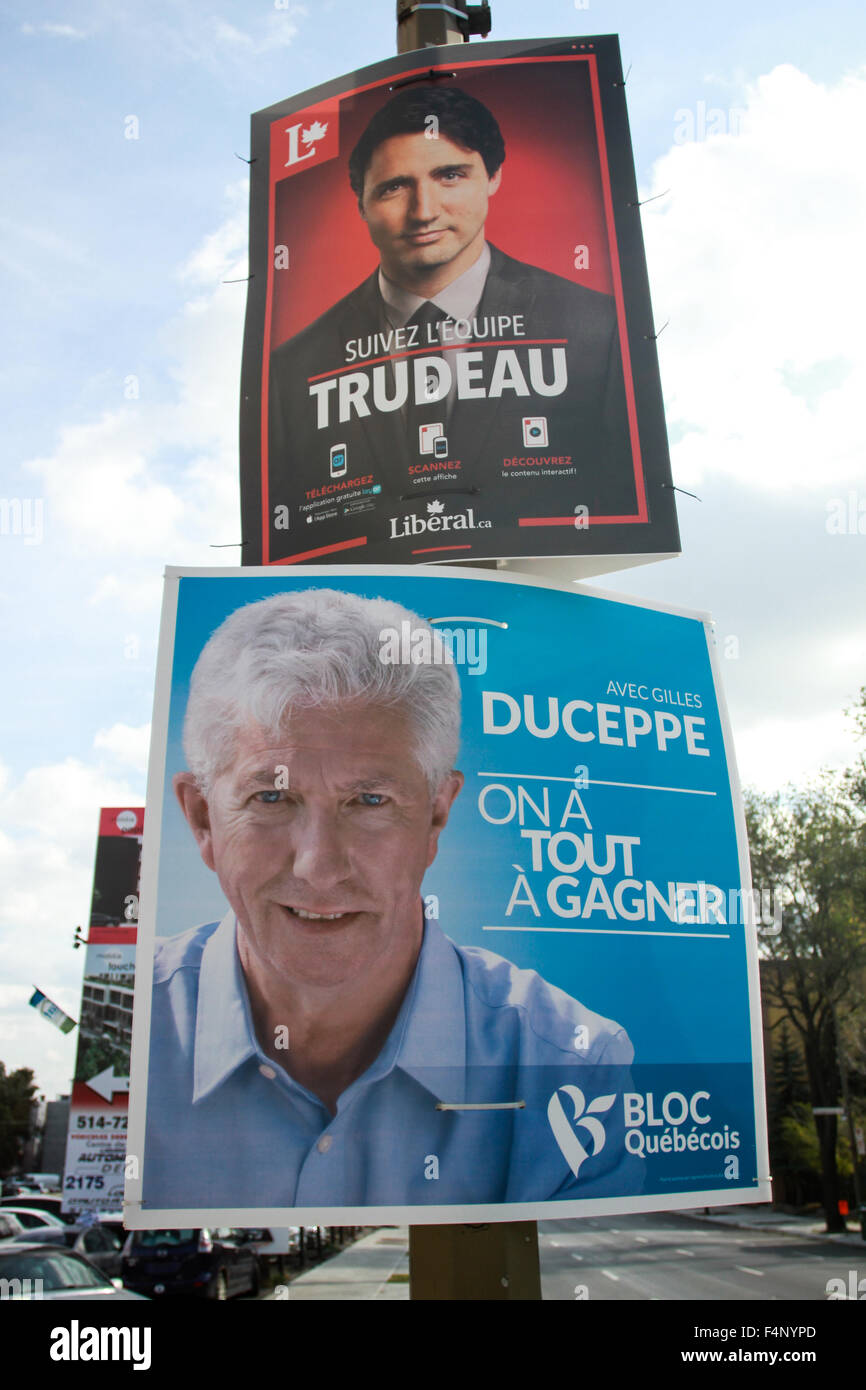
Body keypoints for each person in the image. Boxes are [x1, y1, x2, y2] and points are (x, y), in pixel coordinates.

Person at [142, 588, 639, 1210]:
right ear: (201, 820)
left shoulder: (574, 1066)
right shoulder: (125, 1029)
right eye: (271, 798)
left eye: (369, 801)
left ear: (437, 816)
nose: (319, 868)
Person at [267, 85, 638, 556]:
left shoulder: (598, 327)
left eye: (449, 175)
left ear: (493, 177)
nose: (424, 212)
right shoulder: (293, 369)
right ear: (361, 203)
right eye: (394, 187)